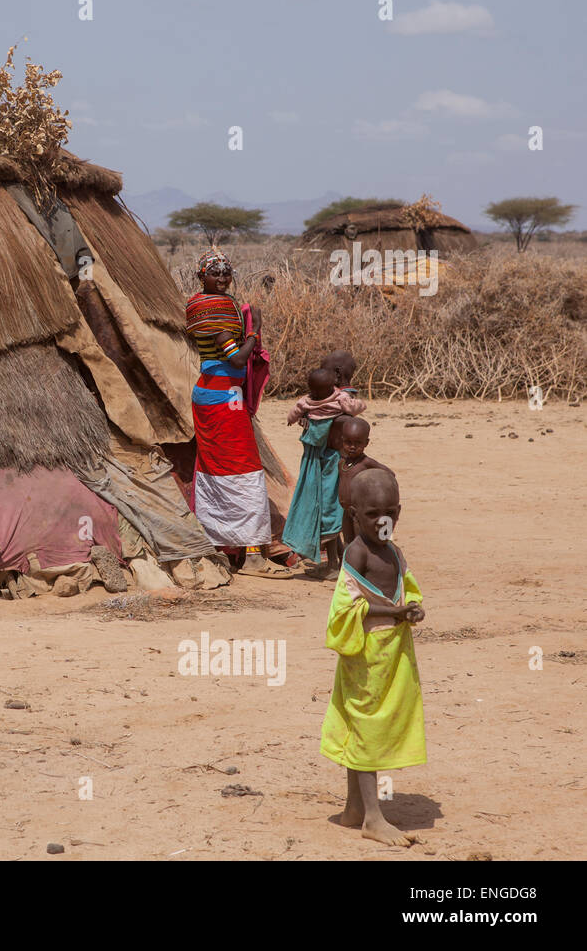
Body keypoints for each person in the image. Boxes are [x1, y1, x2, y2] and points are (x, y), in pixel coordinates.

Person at [320, 468, 426, 847]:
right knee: (367, 728)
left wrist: (411, 608)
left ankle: (354, 808)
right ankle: (374, 818)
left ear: (399, 512)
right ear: (354, 514)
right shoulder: (357, 552)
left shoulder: (394, 552)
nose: (382, 521)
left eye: (390, 513)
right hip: (364, 656)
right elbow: (345, 611)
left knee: (368, 725)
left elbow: (406, 592)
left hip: (392, 655)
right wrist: (393, 613)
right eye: (371, 514)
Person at [184, 247, 293, 578]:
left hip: (217, 395)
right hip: (221, 397)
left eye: (226, 272)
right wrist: (254, 330)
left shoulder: (211, 305)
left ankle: (228, 548)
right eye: (214, 273)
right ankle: (251, 557)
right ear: (201, 276)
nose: (221, 278)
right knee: (244, 471)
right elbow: (236, 359)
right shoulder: (211, 311)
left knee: (220, 470)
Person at [283, 368, 366, 574]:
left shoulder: (307, 403)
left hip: (317, 462)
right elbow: (357, 408)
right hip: (332, 462)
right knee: (330, 508)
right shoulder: (341, 407)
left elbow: (293, 413)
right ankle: (333, 565)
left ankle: (333, 564)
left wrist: (293, 419)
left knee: (325, 508)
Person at [337, 416, 394, 551]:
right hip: (346, 510)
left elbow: (389, 474)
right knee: (348, 541)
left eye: (358, 443)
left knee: (361, 541)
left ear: (366, 443)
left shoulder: (366, 463)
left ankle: (364, 570)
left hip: (360, 511)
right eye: (348, 442)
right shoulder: (342, 463)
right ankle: (347, 570)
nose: (352, 447)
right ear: (342, 440)